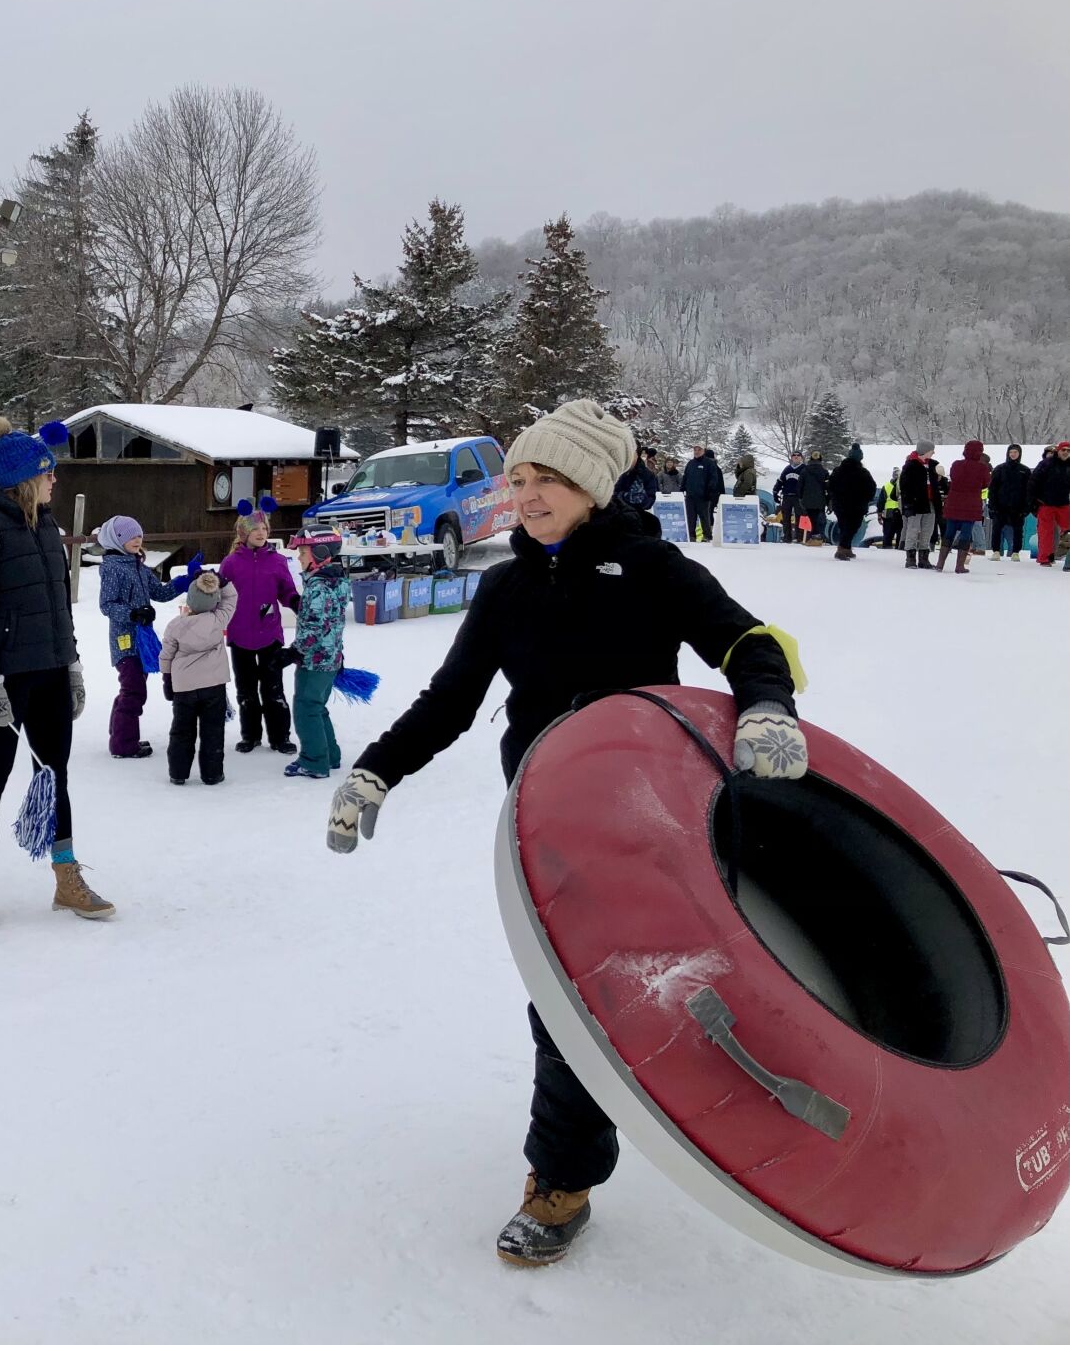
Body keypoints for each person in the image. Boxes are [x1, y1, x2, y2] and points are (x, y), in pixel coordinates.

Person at [324, 399, 805, 1267]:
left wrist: (768, 703)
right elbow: (451, 700)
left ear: (591, 485)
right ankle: (564, 1178)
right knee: (569, 998)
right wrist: (374, 770)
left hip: (657, 823)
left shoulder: (654, 567)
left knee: (708, 974)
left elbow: (748, 641)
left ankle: (764, 1100)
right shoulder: (506, 587)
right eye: (519, 478)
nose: (528, 493)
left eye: (546, 478)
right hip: (549, 825)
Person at [0, 416, 110, 929]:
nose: (55, 481)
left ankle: (66, 877)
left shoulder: (48, 527)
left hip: (48, 671)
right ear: (26, 478)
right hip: (4, 679)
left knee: (55, 775)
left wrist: (71, 664)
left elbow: (59, 606)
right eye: (48, 473)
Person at [97, 516, 197, 757]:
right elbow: (107, 605)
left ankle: (119, 733)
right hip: (125, 639)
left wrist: (186, 581)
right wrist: (133, 613)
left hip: (142, 639)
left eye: (139, 535)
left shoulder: (138, 567)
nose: (137, 540)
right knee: (134, 690)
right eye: (130, 536)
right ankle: (124, 745)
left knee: (131, 688)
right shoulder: (113, 568)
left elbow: (160, 593)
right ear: (116, 540)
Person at [218, 499, 300, 755]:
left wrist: (297, 602)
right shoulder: (231, 563)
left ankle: (280, 737)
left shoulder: (277, 561)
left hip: (270, 635)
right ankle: (250, 735)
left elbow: (287, 591)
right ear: (243, 533)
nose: (261, 532)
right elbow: (220, 594)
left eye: (264, 528)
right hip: (240, 635)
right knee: (246, 691)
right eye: (255, 529)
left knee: (273, 688)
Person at [283, 526, 351, 780]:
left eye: (303, 552)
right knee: (318, 707)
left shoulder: (318, 587)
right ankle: (330, 754)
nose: (299, 558)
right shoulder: (338, 582)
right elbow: (329, 620)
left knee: (305, 708)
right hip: (331, 657)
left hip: (315, 660)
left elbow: (314, 626)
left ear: (320, 553)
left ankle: (314, 761)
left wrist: (293, 653)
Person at [161, 571, 238, 786]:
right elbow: (231, 599)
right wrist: (223, 581)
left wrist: (167, 679)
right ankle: (212, 773)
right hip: (213, 686)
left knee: (181, 731)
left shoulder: (175, 625)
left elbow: (166, 654)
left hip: (184, 687)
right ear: (214, 601)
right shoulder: (218, 619)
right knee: (213, 731)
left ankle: (178, 772)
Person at [934, 440, 992, 574]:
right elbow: (985, 483)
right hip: (971, 505)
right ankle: (959, 566)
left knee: (949, 533)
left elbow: (953, 477)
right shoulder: (982, 468)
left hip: (954, 503)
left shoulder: (956, 464)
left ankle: (940, 564)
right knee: (966, 534)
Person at [826, 443, 876, 561]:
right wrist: (866, 499)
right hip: (857, 505)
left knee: (844, 526)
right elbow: (871, 488)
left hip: (840, 504)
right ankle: (842, 549)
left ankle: (846, 548)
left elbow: (830, 485)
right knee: (852, 526)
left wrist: (834, 497)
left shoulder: (838, 470)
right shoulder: (863, 473)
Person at [898, 441, 939, 570]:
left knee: (928, 529)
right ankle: (910, 558)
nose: (933, 453)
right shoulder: (911, 465)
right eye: (931, 450)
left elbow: (938, 484)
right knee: (913, 528)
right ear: (925, 450)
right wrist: (908, 503)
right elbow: (904, 486)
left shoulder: (934, 465)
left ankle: (924, 558)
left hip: (931, 502)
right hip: (915, 502)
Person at [1029, 441, 1070, 567]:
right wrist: (1033, 502)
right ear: (1058, 451)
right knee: (1046, 532)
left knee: (1067, 528)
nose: (1066, 453)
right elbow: (1033, 482)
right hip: (1046, 503)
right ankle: (1045, 558)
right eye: (1064, 450)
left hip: (1063, 503)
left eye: (1069, 451)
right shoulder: (1046, 464)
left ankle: (1062, 554)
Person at [988, 444, 1032, 559]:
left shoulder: (1025, 470)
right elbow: (992, 488)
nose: (1013, 454)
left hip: (1018, 506)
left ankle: (1015, 552)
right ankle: (996, 551)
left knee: (1018, 530)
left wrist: (1026, 507)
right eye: (1011, 452)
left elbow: (1028, 490)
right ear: (1008, 453)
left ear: (1019, 454)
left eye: (1015, 452)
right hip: (1000, 505)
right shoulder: (999, 469)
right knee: (997, 529)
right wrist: (992, 505)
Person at [681, 443, 723, 541]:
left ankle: (707, 536)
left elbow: (713, 479)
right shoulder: (690, 463)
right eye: (695, 450)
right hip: (690, 495)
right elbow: (685, 476)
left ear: (703, 451)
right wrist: (682, 488)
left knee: (705, 517)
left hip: (703, 496)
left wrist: (709, 492)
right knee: (691, 517)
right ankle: (691, 536)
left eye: (699, 450)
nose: (696, 451)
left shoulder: (709, 463)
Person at [799, 450, 830, 547]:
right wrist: (828, 500)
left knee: (811, 519)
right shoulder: (824, 472)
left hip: (807, 500)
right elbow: (828, 487)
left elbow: (800, 486)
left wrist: (800, 497)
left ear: (811, 459)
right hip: (820, 500)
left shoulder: (804, 471)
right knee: (819, 519)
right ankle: (818, 538)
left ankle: (814, 538)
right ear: (820, 459)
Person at [613, 445, 657, 512]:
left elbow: (650, 500)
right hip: (615, 515)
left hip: (638, 516)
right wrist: (623, 496)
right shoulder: (615, 471)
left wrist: (641, 498)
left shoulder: (647, 474)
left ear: (637, 455)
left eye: (632, 453)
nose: (629, 457)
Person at [774, 451, 806, 543]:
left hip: (799, 497)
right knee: (785, 517)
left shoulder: (804, 469)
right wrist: (775, 491)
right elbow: (780, 481)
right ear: (791, 457)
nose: (796, 457)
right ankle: (787, 537)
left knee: (800, 517)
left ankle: (799, 537)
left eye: (798, 455)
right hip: (787, 496)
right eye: (794, 455)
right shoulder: (787, 469)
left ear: (801, 458)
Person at [876, 468, 903, 550]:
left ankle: (887, 551)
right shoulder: (904, 485)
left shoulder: (886, 486)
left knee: (887, 535)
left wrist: (879, 514)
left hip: (889, 514)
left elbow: (881, 502)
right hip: (901, 514)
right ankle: (899, 551)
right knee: (901, 535)